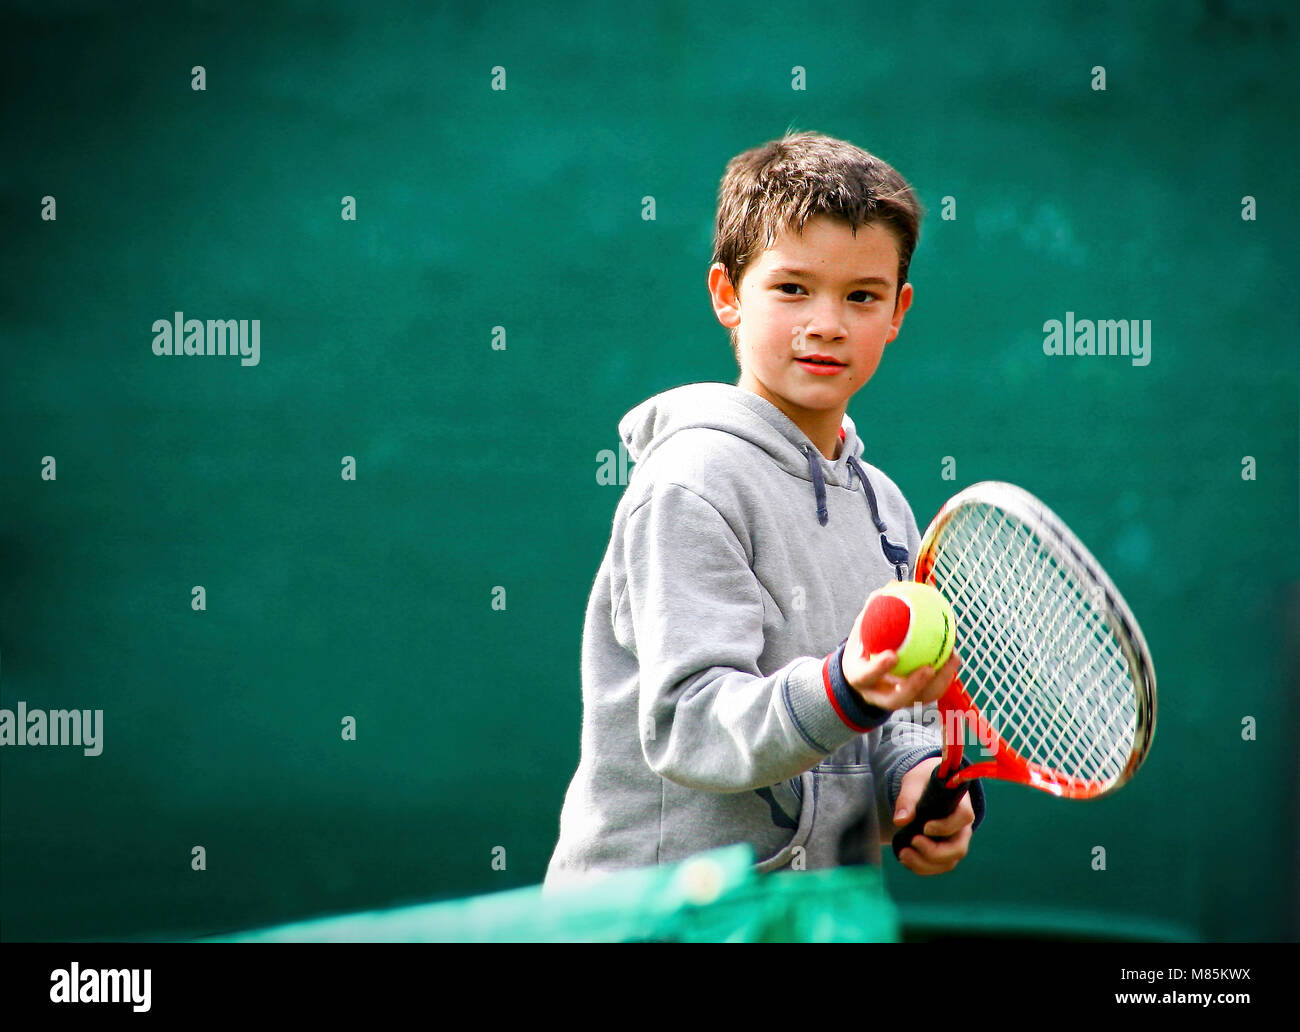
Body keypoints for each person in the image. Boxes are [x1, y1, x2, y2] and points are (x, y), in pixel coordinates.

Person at [545, 130, 985, 889]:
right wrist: (842, 686)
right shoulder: (689, 483)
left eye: (861, 296)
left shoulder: (886, 510)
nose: (827, 323)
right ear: (727, 295)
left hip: (810, 913)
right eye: (791, 288)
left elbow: (890, 709)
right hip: (651, 919)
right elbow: (691, 723)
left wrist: (914, 781)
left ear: (897, 312)